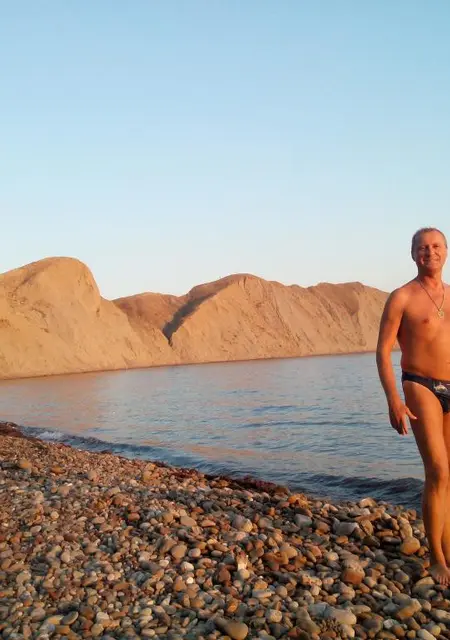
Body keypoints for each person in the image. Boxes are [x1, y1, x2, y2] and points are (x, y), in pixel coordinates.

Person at [376, 227, 450, 585]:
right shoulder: (402, 297)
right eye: (422, 247)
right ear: (413, 254)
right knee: (438, 471)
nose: (429, 252)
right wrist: (394, 399)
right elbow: (382, 350)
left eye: (436, 246)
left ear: (445, 251)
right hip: (420, 384)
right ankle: (436, 558)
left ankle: (448, 548)